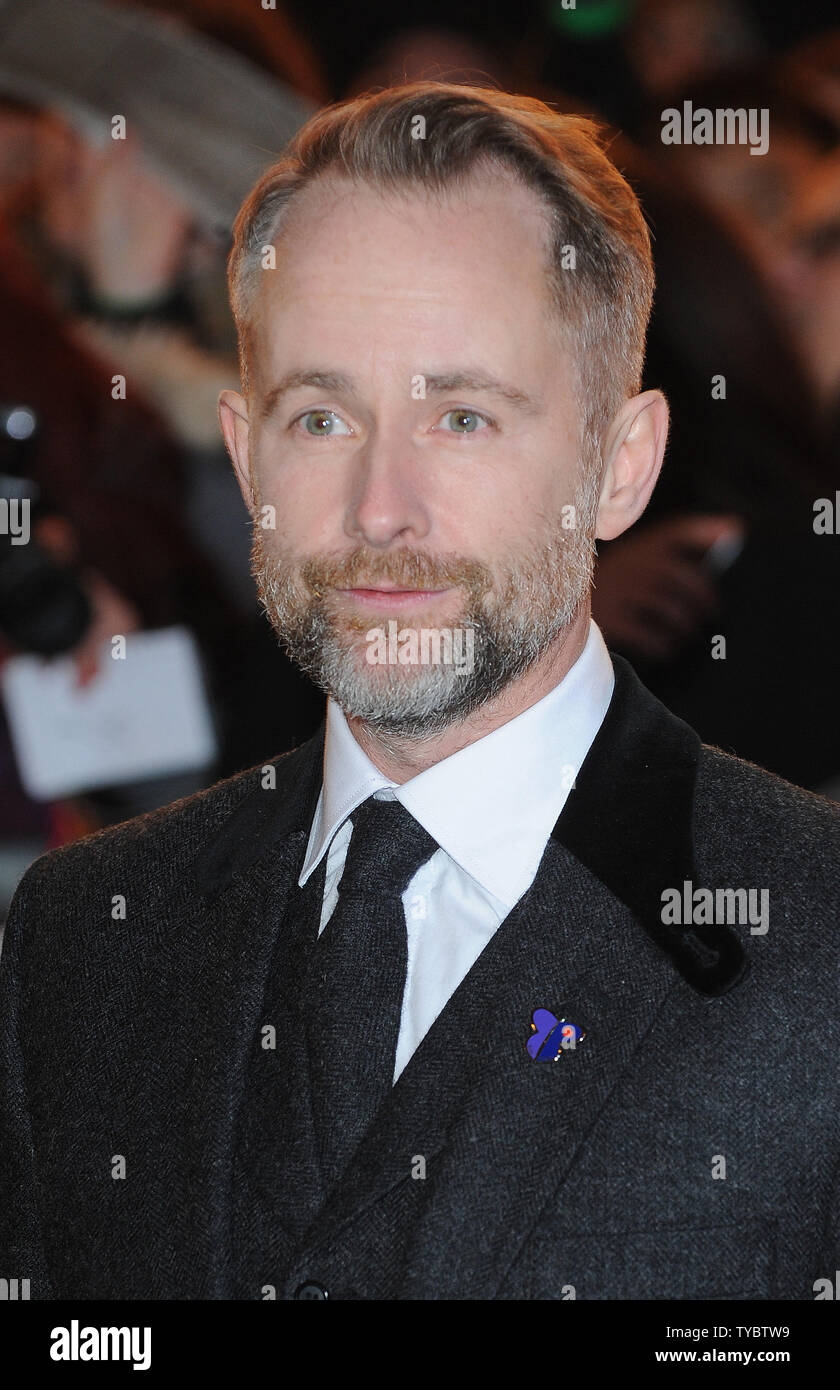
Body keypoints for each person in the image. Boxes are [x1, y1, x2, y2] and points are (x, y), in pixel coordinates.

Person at [1, 81, 838, 1302]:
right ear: (245, 454)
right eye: (323, 415)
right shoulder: (86, 934)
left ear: (620, 465)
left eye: (461, 416)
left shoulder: (815, 943)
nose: (380, 506)